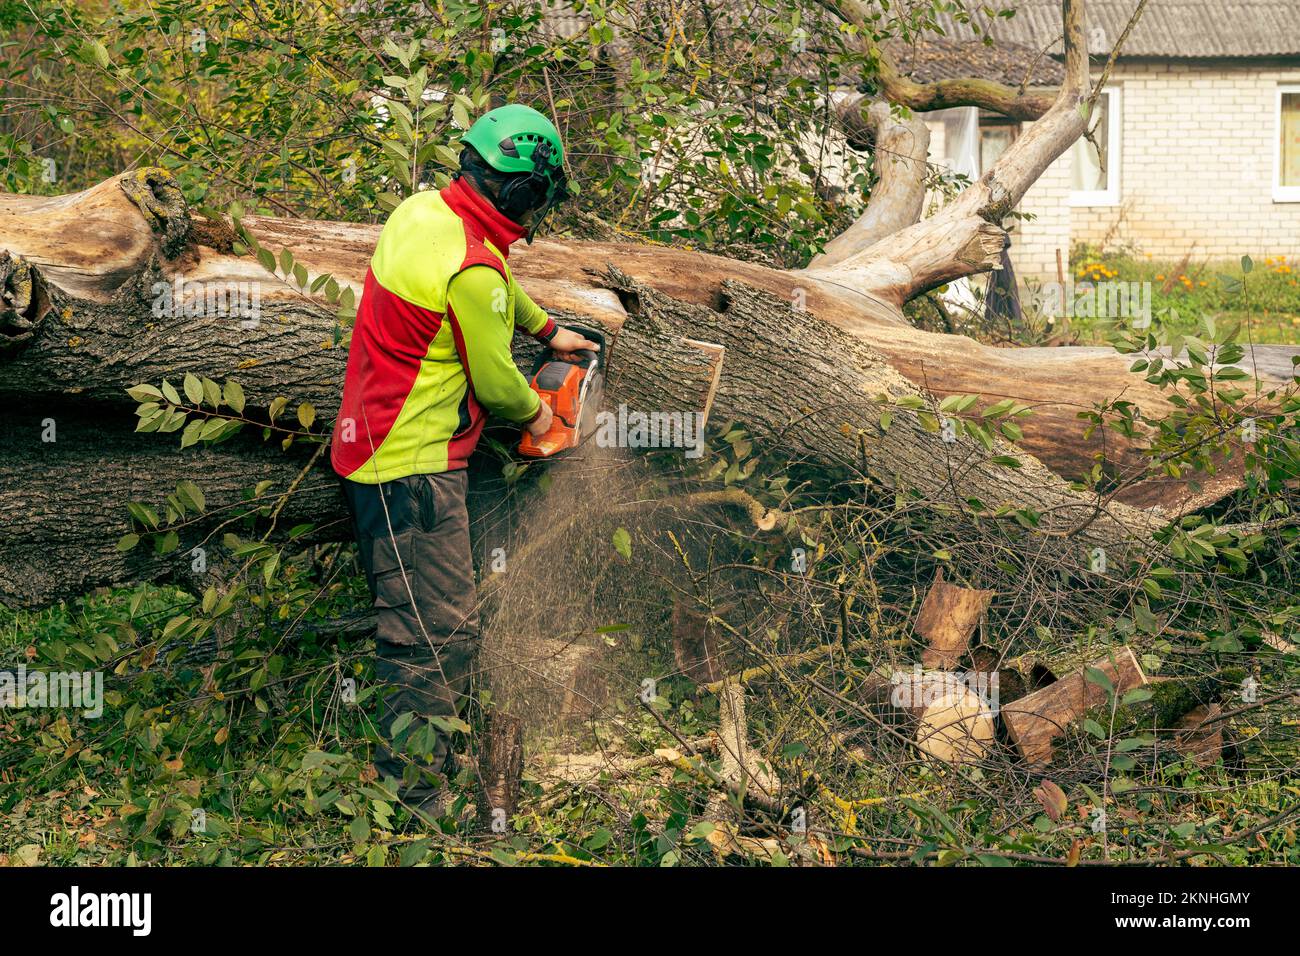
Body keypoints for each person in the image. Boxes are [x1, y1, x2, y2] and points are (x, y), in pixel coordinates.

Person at [329, 104, 599, 820]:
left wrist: (546, 329)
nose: (538, 210)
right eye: (538, 196)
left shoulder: (425, 214)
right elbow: (496, 383)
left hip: (376, 440)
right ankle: (416, 802)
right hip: (411, 467)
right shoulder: (476, 267)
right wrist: (546, 415)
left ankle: (431, 769)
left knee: (435, 623)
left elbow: (487, 281)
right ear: (520, 193)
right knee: (431, 635)